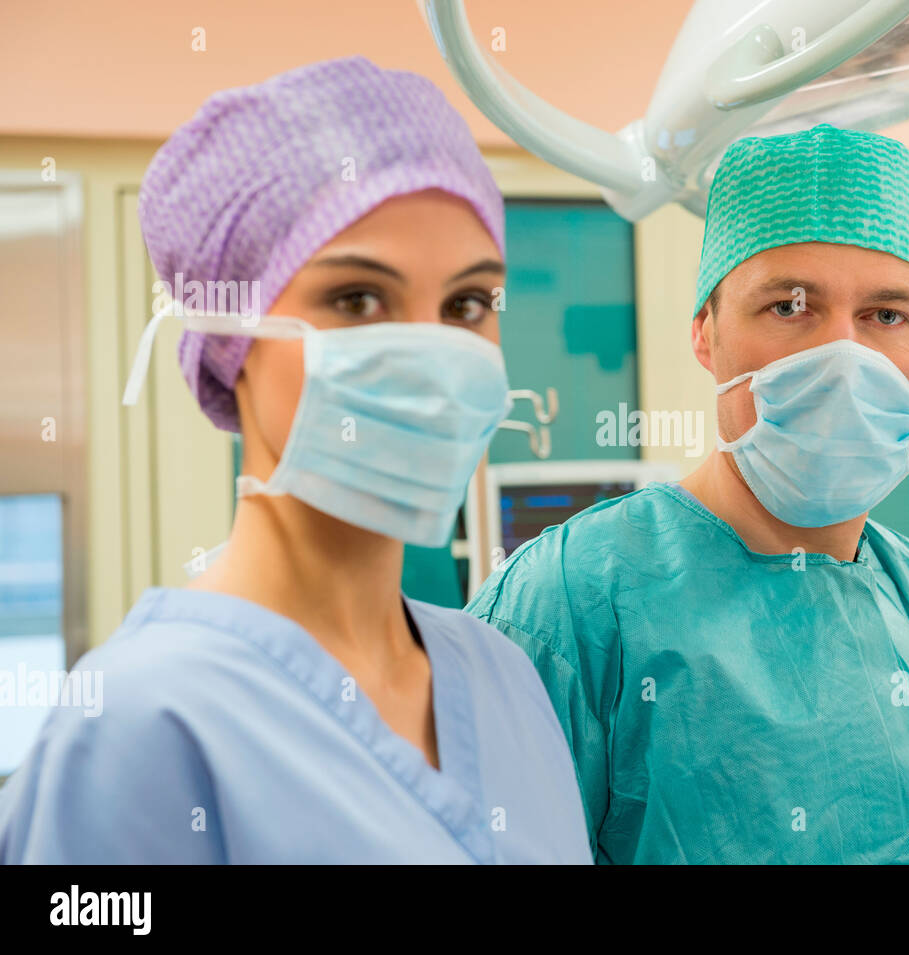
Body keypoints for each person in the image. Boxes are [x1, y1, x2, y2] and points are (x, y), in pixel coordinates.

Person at [0, 57, 590, 864]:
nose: (431, 351)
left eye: (467, 304)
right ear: (228, 342)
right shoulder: (141, 724)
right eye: (357, 299)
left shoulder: (504, 679)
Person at [467, 124, 909, 864]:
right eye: (790, 307)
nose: (843, 355)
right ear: (706, 334)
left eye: (887, 315)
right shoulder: (566, 609)